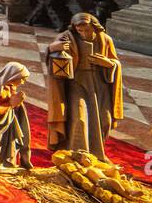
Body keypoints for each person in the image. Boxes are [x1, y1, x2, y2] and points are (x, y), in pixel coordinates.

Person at [44, 13, 124, 158]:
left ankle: (96, 154)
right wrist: (52, 48)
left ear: (94, 26)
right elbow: (52, 53)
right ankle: (78, 155)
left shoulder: (105, 40)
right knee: (80, 118)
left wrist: (108, 64)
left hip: (100, 84)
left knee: (104, 119)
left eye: (87, 30)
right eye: (80, 31)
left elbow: (116, 63)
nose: (83, 33)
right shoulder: (68, 37)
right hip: (77, 82)